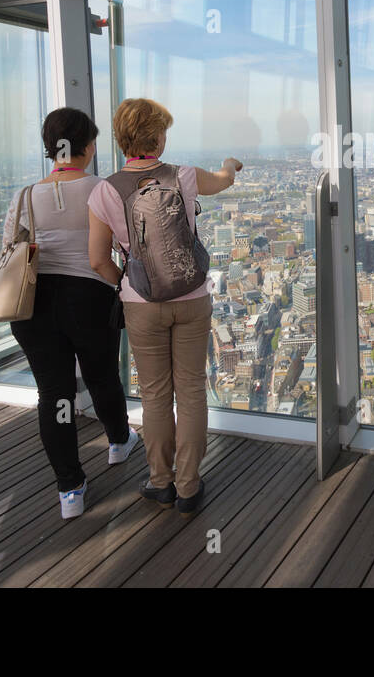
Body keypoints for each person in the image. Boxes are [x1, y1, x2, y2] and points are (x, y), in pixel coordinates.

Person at [87, 98, 242, 516]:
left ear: (122, 139)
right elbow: (225, 180)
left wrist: (126, 284)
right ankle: (190, 487)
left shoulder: (105, 191)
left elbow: (98, 260)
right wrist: (230, 164)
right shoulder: (183, 176)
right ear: (157, 137)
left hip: (142, 304)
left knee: (155, 395)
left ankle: (162, 483)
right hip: (192, 298)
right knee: (191, 390)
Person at [4, 107, 137, 521]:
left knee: (54, 395)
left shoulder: (24, 196)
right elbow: (128, 242)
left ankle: (70, 490)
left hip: (34, 305)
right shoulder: (103, 189)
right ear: (88, 145)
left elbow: (9, 251)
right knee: (101, 376)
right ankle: (118, 441)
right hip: (89, 298)